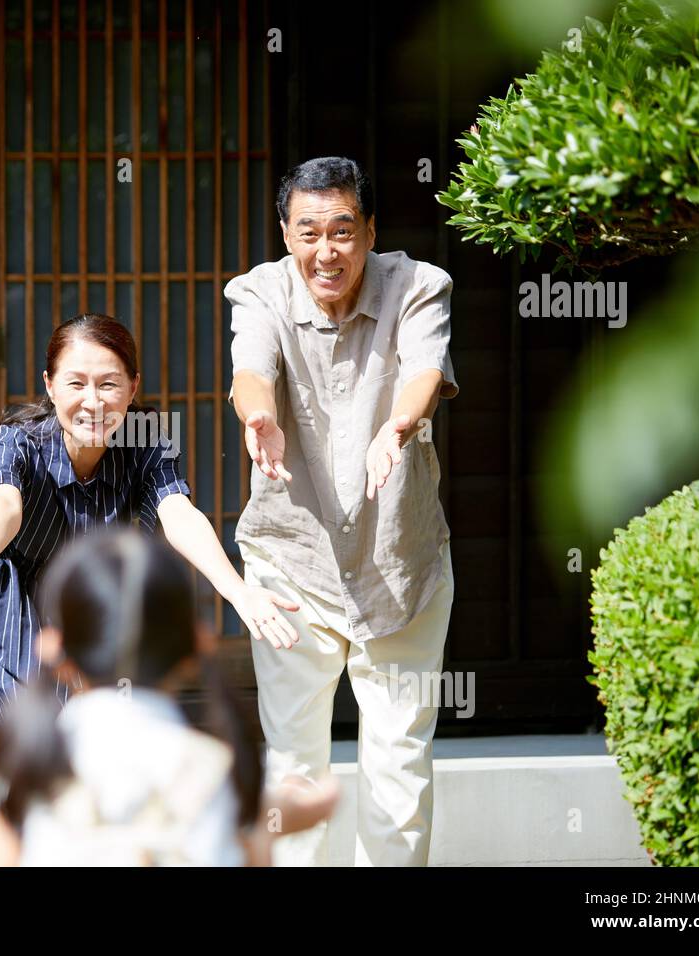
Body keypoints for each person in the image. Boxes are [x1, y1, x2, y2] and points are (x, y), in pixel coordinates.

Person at [0, 313, 300, 843]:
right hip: (7, 612)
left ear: (133, 388)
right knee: (28, 753)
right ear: (49, 385)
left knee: (106, 762)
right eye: (76, 383)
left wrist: (236, 589)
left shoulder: (148, 443)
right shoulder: (17, 441)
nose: (93, 401)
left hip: (93, 611)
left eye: (109, 384)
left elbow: (176, 511)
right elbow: (5, 500)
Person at [226, 156, 458, 866]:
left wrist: (398, 426)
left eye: (342, 230)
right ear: (286, 234)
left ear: (370, 232)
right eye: (308, 232)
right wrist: (258, 418)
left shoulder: (418, 285)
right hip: (292, 560)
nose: (326, 251)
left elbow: (423, 369)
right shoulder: (259, 290)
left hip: (399, 561)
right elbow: (250, 368)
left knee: (397, 766)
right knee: (292, 764)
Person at [0, 528, 339, 866]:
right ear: (199, 644)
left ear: (53, 649)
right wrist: (269, 823)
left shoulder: (18, 766)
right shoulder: (219, 776)